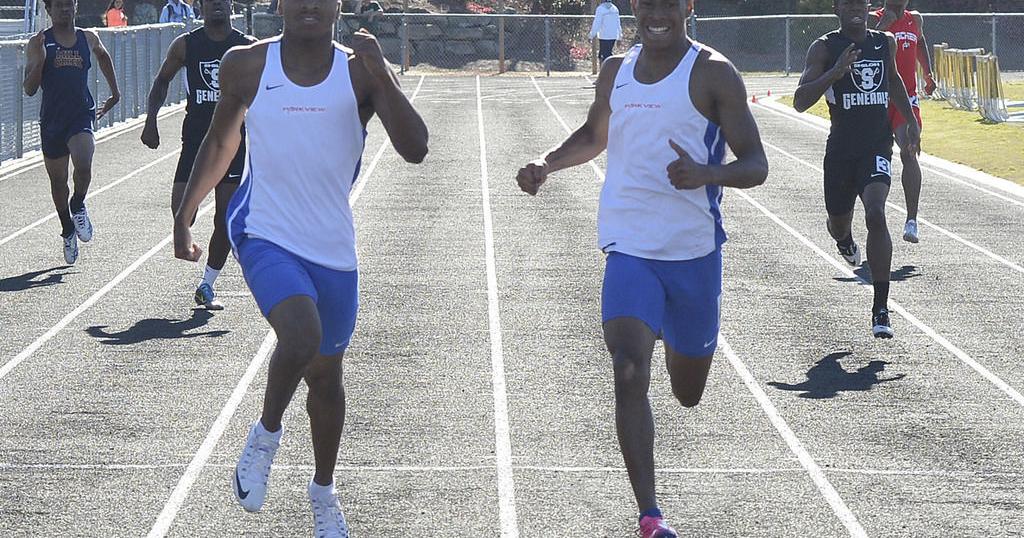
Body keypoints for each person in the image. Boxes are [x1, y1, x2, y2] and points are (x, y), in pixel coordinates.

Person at [172, 0, 428, 533]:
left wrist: (382, 72)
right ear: (280, 5)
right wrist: (186, 213)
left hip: (332, 247)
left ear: (340, 5)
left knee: (327, 378)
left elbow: (416, 147)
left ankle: (323, 493)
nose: (309, 4)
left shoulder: (358, 69)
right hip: (265, 232)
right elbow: (222, 141)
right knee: (300, 334)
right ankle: (264, 437)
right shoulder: (246, 65)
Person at [517, 0, 768, 535]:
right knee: (628, 366)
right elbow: (593, 136)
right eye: (647, 3)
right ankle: (650, 516)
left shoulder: (714, 74)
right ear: (635, 7)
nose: (656, 13)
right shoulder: (616, 70)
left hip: (692, 252)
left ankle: (681, 342)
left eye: (668, 4)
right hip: (628, 244)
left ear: (687, 8)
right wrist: (546, 163)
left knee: (687, 391)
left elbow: (755, 164)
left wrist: (705, 174)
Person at [793, 0, 920, 338]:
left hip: (876, 147)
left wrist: (910, 121)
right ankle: (845, 240)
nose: (855, 9)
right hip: (840, 153)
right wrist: (834, 72)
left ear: (868, 8)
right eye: (847, 4)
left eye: (860, 3)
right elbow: (800, 101)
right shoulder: (824, 46)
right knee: (838, 224)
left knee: (876, 214)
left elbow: (893, 81)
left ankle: (881, 307)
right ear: (836, 8)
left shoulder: (884, 43)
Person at [142, 0, 254, 310]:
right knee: (182, 213)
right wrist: (151, 120)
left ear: (230, 5)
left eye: (222, 0)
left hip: (233, 143)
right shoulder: (186, 45)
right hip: (196, 143)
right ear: (201, 8)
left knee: (226, 218)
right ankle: (189, 241)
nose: (217, 4)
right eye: (210, 1)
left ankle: (207, 284)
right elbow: (162, 80)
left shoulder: (247, 47)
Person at [22, 0, 120, 265]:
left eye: (69, 4)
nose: (64, 9)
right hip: (53, 120)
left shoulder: (88, 37)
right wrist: (41, 62)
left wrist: (114, 92)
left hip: (80, 115)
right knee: (57, 182)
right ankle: (67, 229)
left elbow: (102, 55)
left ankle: (78, 204)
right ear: (49, 11)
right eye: (59, 6)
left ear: (76, 7)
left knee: (84, 164)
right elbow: (29, 88)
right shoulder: (38, 42)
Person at [869, 0, 935, 243]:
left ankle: (911, 220)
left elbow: (921, 42)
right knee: (875, 157)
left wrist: (928, 73)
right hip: (876, 97)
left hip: (906, 98)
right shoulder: (871, 18)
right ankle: (871, 214)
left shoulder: (915, 19)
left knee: (909, 150)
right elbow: (866, 43)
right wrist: (886, 21)